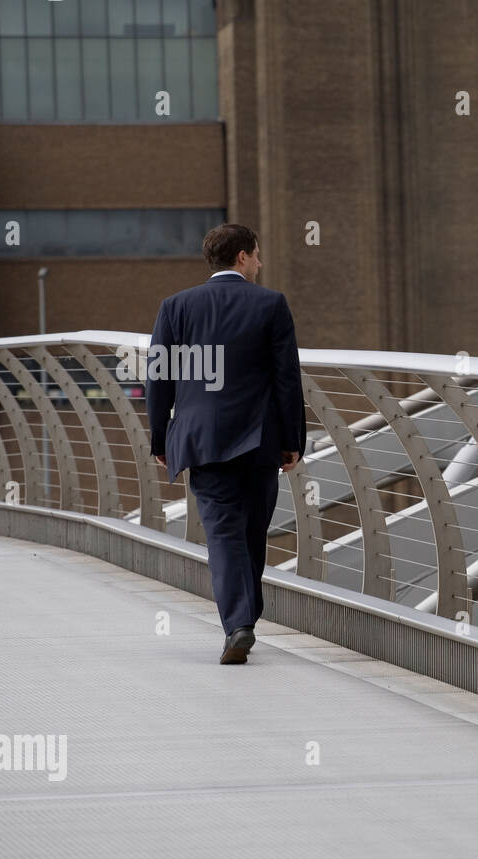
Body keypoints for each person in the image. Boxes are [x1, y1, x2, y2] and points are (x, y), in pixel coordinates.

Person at [146, 223, 307, 664]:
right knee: (253, 532)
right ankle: (243, 620)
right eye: (256, 255)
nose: (260, 263)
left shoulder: (176, 306)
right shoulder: (271, 304)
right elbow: (286, 379)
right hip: (259, 440)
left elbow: (159, 377)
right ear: (241, 257)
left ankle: (239, 623)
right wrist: (293, 441)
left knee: (223, 533)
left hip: (202, 439)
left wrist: (160, 437)